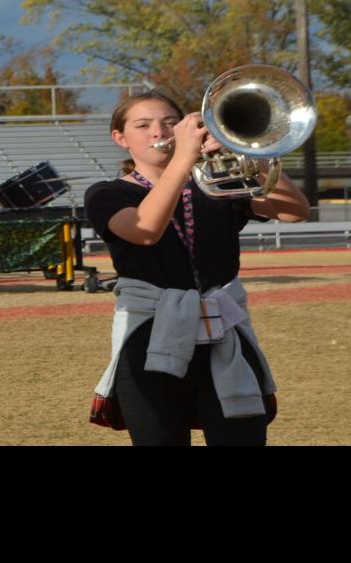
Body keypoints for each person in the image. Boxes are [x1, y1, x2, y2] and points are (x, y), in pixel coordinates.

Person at [84, 92, 310, 445]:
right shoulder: (105, 193)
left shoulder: (218, 183)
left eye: (170, 122)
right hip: (148, 333)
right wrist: (184, 159)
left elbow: (296, 210)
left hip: (224, 328)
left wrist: (249, 152)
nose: (158, 131)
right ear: (121, 138)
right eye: (142, 125)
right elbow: (144, 230)